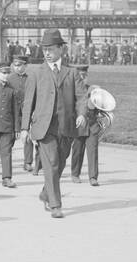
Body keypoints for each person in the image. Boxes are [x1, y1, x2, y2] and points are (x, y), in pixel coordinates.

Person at [20, 28, 88, 219]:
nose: (47, 53)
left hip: (66, 127)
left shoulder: (72, 73)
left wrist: (82, 114)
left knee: (60, 163)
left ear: (61, 49)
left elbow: (82, 97)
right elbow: (28, 103)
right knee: (51, 163)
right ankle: (55, 204)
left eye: (50, 49)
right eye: (44, 49)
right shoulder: (36, 73)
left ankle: (45, 193)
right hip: (44, 128)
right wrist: (25, 127)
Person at [69, 63, 105, 186]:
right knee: (77, 150)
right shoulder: (71, 92)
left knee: (93, 151)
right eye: (80, 76)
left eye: (85, 76)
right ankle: (75, 173)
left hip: (92, 125)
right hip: (79, 126)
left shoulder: (93, 90)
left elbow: (101, 107)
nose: (83, 78)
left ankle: (93, 177)